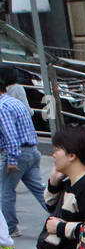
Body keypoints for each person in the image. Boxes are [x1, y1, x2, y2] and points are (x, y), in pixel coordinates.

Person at [0, 76, 47, 238]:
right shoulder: (15, 102)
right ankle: (62, 215)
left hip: (17, 154)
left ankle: (11, 227)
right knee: (40, 191)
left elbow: (10, 136)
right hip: (32, 151)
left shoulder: (2, 107)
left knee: (5, 192)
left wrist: (12, 160)